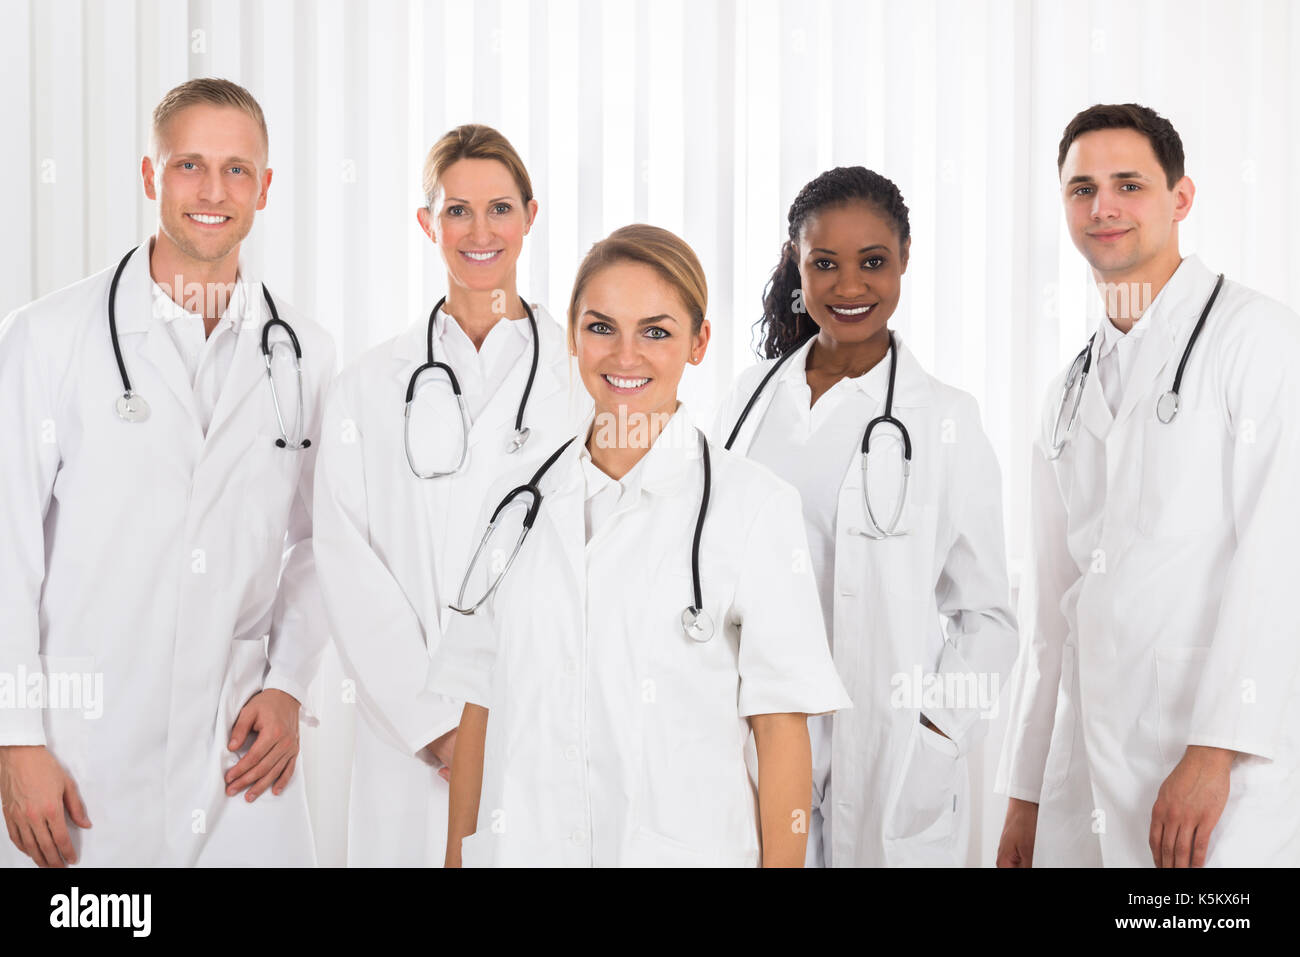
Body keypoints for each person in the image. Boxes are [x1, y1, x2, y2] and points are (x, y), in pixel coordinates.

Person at [431, 224, 851, 867]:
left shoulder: (753, 506)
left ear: (698, 342)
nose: (625, 356)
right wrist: (456, 858)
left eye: (655, 331)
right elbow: (479, 703)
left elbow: (781, 732)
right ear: (573, 334)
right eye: (601, 327)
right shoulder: (515, 498)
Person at [0, 78, 334, 867]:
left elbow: (327, 542)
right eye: (189, 166)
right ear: (151, 177)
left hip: (240, 752)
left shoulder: (303, 352)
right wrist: (15, 737)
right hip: (82, 755)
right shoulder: (46, 338)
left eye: (237, 169)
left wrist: (288, 682)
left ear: (265, 186)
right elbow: (5, 552)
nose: (213, 192)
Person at [996, 103, 1300, 868]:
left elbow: (1280, 554)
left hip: (1214, 771)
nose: (1103, 207)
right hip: (1083, 777)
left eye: (1128, 184)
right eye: (1081, 189)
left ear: (1181, 198)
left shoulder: (1256, 339)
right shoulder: (1066, 392)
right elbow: (1049, 611)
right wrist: (1025, 791)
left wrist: (1215, 747)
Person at [715, 167, 1018, 867]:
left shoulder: (943, 418)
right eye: (825, 264)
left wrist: (938, 738)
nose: (849, 287)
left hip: (891, 756)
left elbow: (988, 618)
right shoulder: (748, 403)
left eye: (872, 262)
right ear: (798, 265)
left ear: (905, 258)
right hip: (763, 739)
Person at [313, 124, 589, 867]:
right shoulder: (367, 388)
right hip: (407, 743)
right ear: (426, 223)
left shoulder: (585, 378)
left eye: (499, 208)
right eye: (456, 210)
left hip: (542, 727)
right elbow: (344, 563)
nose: (479, 231)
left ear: (531, 216)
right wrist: (437, 724)